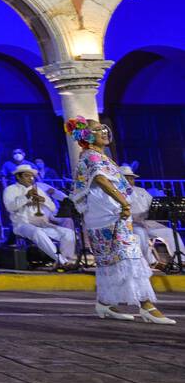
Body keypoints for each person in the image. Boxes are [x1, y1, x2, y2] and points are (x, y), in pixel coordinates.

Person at [66, 118, 172, 324]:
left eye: (104, 128)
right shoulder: (92, 157)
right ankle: (146, 305)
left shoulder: (97, 156)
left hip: (105, 216)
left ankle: (105, 303)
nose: (104, 132)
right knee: (128, 257)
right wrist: (123, 202)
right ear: (87, 136)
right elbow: (101, 179)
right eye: (98, 130)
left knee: (110, 261)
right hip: (109, 216)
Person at [2, 163, 76, 269]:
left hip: (41, 223)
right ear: (18, 176)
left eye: (32, 176)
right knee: (38, 232)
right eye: (27, 176)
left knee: (68, 233)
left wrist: (43, 201)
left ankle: (65, 261)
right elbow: (10, 207)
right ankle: (62, 262)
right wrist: (26, 197)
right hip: (22, 225)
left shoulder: (38, 189)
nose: (31, 178)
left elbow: (53, 208)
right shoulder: (10, 190)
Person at [122, 164, 184, 272]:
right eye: (127, 178)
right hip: (131, 225)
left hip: (148, 223)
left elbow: (153, 205)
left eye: (131, 178)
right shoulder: (117, 193)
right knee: (141, 234)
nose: (130, 180)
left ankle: (182, 260)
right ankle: (153, 262)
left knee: (170, 232)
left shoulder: (141, 191)